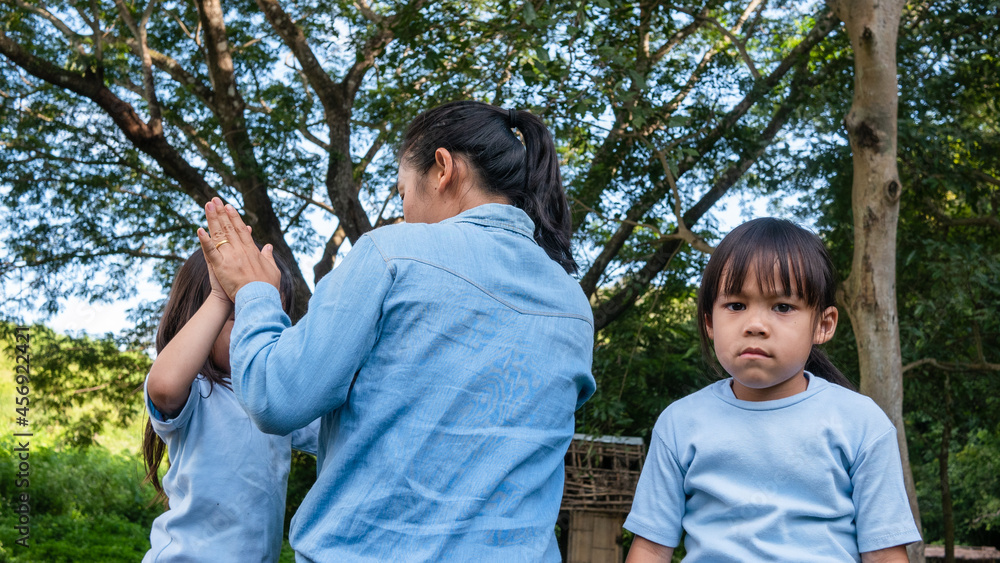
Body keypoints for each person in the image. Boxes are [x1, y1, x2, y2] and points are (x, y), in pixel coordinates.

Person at [196, 101, 596, 561]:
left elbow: (276, 397)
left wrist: (253, 292)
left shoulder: (392, 253)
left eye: (403, 192)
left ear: (443, 168)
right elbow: (440, 422)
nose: (403, 209)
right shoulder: (572, 305)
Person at [623, 218, 921, 562]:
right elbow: (650, 548)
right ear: (709, 323)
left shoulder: (861, 423)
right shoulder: (679, 423)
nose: (755, 325)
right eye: (736, 305)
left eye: (782, 307)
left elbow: (884, 554)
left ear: (823, 325)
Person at [141, 247, 319, 562]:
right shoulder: (196, 390)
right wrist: (221, 298)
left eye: (273, 317)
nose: (259, 331)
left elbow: (337, 426)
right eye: (241, 314)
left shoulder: (274, 397)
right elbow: (164, 387)